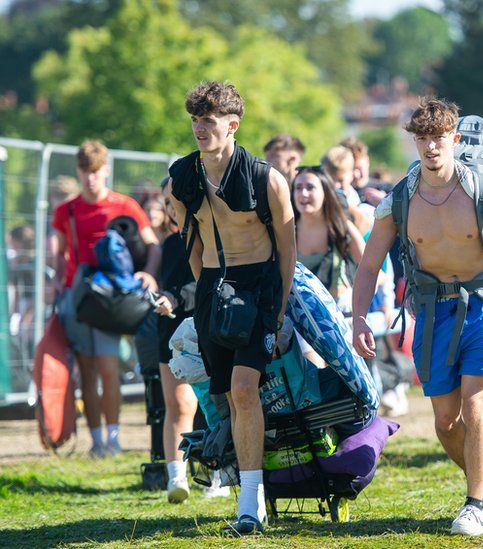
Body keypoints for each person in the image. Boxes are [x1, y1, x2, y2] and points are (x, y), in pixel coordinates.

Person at [351, 98, 483, 536]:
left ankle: (472, 506)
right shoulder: (401, 198)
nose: (431, 147)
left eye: (439, 138)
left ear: (454, 139)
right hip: (432, 311)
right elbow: (370, 263)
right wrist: (358, 318)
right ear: (414, 141)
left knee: (474, 409)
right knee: (444, 421)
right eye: (423, 138)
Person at [168, 81, 296, 536]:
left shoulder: (267, 178)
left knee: (245, 389)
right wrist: (206, 288)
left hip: (259, 284)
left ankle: (250, 504)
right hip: (212, 289)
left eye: (209, 121)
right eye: (196, 121)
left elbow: (287, 250)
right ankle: (249, 488)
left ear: (232, 124)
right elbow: (191, 242)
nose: (200, 129)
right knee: (225, 395)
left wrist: (279, 310)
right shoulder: (180, 178)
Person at [51, 140, 161, 458]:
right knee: (85, 369)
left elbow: (153, 245)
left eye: (96, 172)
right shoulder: (66, 210)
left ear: (106, 171)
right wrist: (59, 280)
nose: (90, 178)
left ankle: (114, 439)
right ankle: (97, 440)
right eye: (85, 171)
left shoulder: (125, 205)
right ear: (78, 171)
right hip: (79, 297)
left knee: (108, 367)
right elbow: (60, 252)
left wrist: (149, 274)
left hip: (111, 300)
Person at [152, 193, 230, 503]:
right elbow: (157, 278)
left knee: (216, 406)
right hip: (170, 330)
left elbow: (207, 283)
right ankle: (176, 477)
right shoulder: (169, 244)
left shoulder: (214, 237)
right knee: (179, 405)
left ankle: (222, 475)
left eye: (177, 201)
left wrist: (173, 297)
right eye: (168, 203)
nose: (173, 208)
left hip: (207, 329)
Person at [293, 167, 365, 313]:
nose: (303, 193)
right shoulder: (286, 231)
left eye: (310, 187)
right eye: (298, 188)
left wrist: (359, 306)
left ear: (325, 192)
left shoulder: (340, 227)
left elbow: (371, 269)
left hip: (340, 313)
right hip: (300, 314)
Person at [340, 136, 391, 206]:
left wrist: (387, 202)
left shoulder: (386, 189)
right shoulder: (339, 192)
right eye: (351, 169)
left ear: (367, 161)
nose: (356, 174)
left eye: (359, 168)